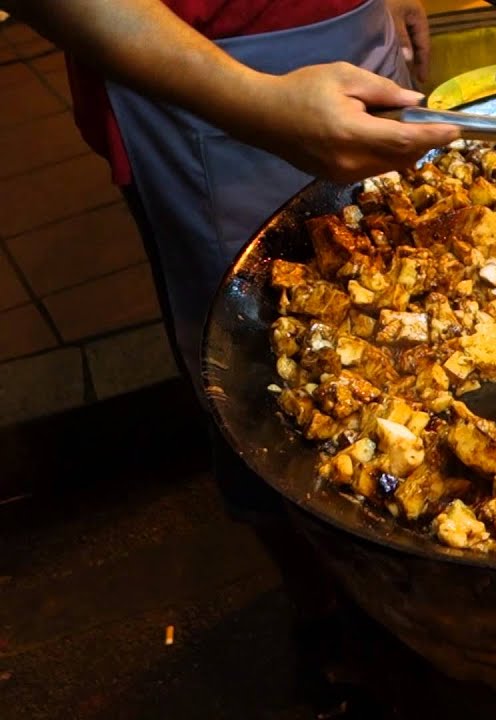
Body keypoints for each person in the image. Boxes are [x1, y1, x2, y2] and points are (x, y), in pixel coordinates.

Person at [3, 0, 461, 711]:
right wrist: (258, 105)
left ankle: (447, 616)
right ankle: (327, 622)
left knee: (434, 312)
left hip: (356, 31)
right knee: (261, 392)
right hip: (200, 72)